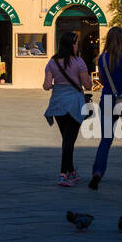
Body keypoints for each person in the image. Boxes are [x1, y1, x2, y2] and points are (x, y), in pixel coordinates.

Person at [89, 25, 122, 190]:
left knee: (106, 139)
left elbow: (104, 82)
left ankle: (98, 172)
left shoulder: (102, 59)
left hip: (106, 100)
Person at [42, 30, 92, 186]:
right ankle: (63, 174)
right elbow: (87, 85)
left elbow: (46, 85)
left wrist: (55, 82)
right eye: (76, 43)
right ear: (72, 45)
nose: (78, 46)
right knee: (69, 140)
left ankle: (72, 171)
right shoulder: (79, 62)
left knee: (67, 139)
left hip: (57, 104)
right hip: (74, 104)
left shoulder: (52, 62)